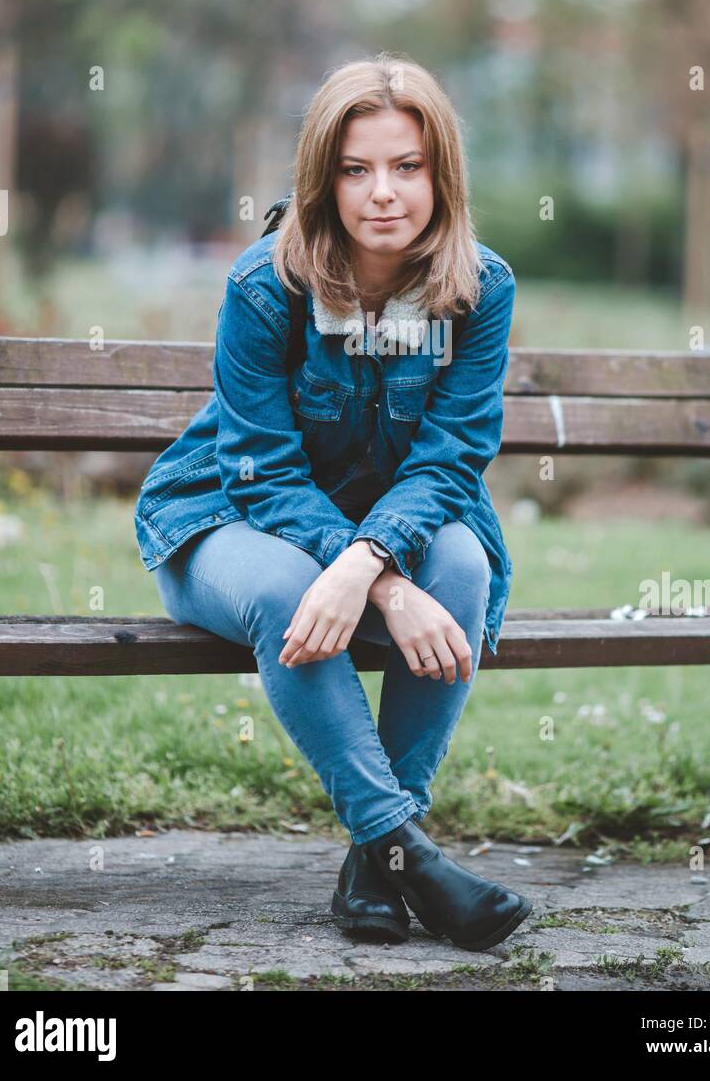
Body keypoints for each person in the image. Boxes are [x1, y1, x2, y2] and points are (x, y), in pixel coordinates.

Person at [133, 51, 532, 952]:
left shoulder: (480, 290)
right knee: (287, 592)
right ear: (324, 176)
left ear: (442, 175)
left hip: (385, 529)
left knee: (463, 563)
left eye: (407, 166)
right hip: (224, 523)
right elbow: (260, 473)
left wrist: (371, 561)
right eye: (356, 169)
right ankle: (412, 856)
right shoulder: (264, 285)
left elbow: (453, 457)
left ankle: (374, 861)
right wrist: (380, 580)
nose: (382, 192)